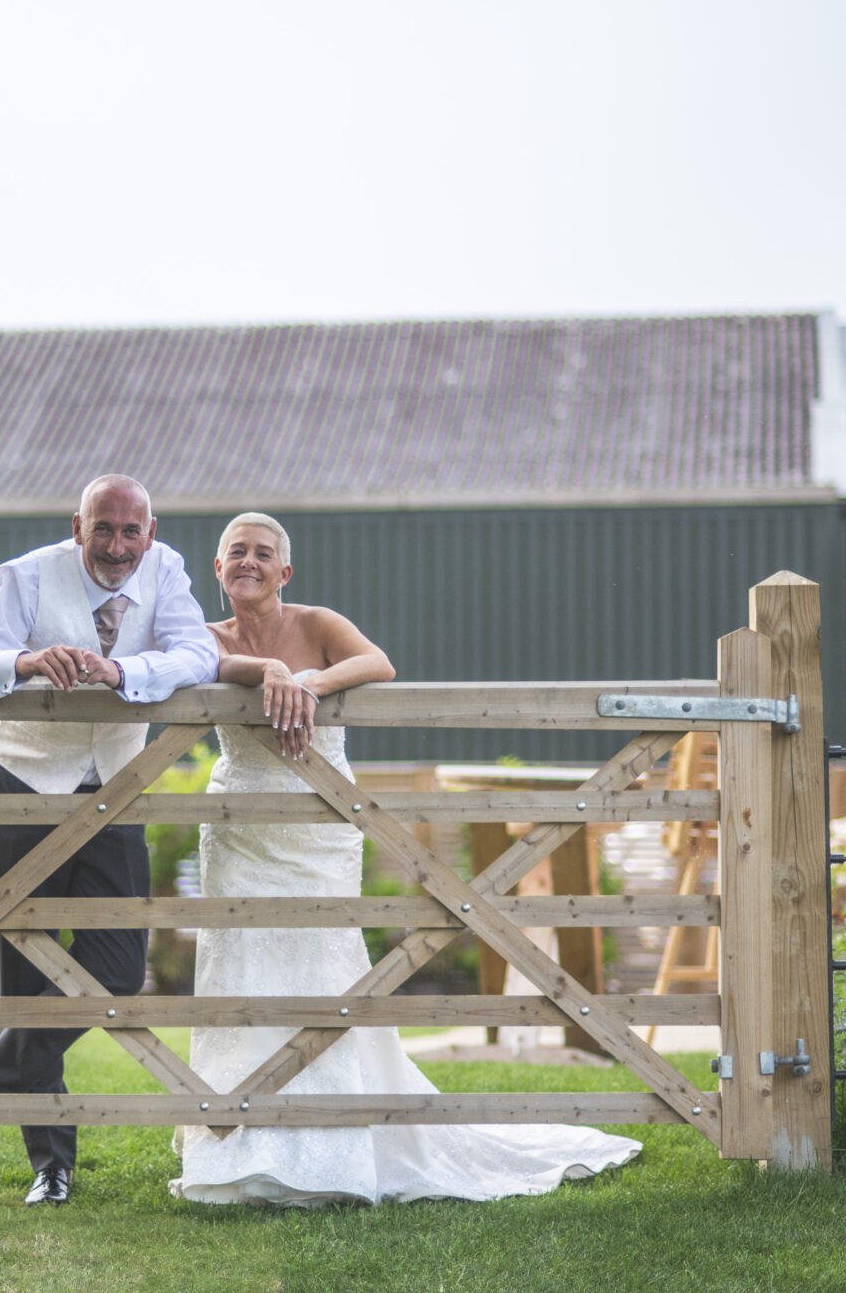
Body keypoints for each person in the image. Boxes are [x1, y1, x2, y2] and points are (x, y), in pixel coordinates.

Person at [171, 511, 641, 1206]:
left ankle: (333, 1139)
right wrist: (265, 667)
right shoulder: (202, 637)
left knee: (322, 962)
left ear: (284, 570)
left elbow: (379, 662)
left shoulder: (318, 620)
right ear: (216, 568)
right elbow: (197, 666)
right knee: (238, 957)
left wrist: (306, 682)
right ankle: (239, 1133)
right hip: (240, 827)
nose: (249, 561)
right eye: (235, 551)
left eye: (263, 552)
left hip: (320, 825)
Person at [0, 474, 219, 1206]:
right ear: (78, 525)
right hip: (24, 778)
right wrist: (21, 662)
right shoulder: (26, 576)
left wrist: (124, 671)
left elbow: (197, 656)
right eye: (103, 530)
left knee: (117, 970)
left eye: (131, 532)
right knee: (26, 971)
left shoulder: (168, 571)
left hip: (115, 786)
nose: (117, 546)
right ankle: (50, 1167)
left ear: (149, 531)